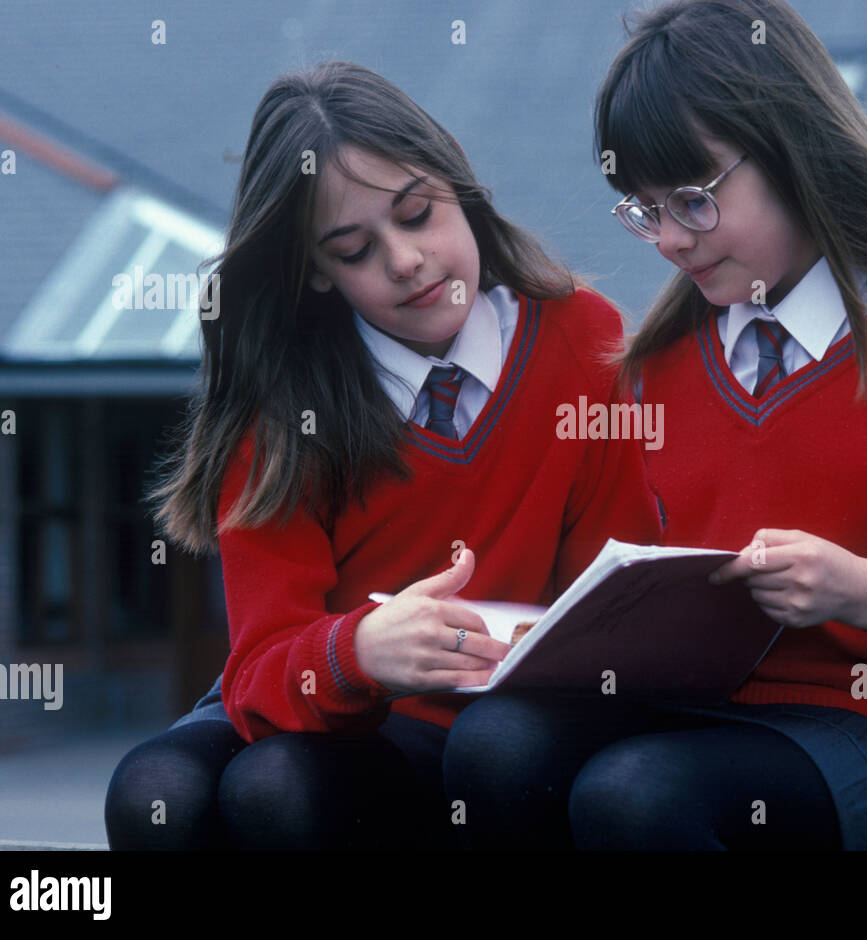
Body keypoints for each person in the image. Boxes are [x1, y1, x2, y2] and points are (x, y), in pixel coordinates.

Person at [442, 0, 867, 850]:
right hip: (707, 720)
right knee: (494, 748)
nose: (668, 242)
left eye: (691, 200)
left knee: (640, 795)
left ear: (796, 151)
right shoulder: (660, 365)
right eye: (643, 210)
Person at [103, 60, 660, 850]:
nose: (405, 260)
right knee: (156, 792)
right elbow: (260, 670)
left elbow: (618, 598)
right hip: (334, 704)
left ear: (461, 190)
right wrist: (360, 651)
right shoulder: (281, 401)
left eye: (417, 213)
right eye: (355, 250)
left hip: (512, 719)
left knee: (290, 787)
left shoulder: (583, 336)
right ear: (316, 275)